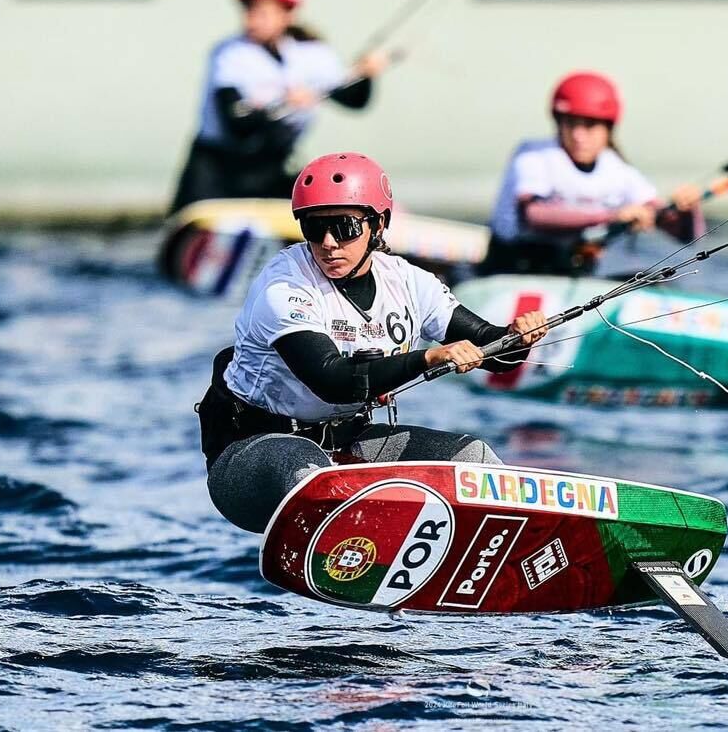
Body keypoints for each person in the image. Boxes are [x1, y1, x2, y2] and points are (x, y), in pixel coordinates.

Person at [197, 152, 549, 533]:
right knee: (314, 477)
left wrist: (517, 338)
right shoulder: (283, 285)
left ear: (378, 224)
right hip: (252, 454)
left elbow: (493, 352)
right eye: (315, 228)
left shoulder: (409, 282)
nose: (329, 243)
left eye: (345, 227)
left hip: (348, 446)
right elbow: (332, 381)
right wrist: (427, 358)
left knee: (473, 459)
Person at [168, 0, 390, 214]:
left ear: (288, 15)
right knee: (189, 225)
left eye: (263, 12)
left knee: (306, 211)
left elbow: (354, 99)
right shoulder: (230, 54)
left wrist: (366, 74)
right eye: (248, 10)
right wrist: (285, 102)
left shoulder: (311, 55)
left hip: (273, 166)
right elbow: (237, 122)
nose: (251, 19)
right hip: (219, 168)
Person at [480, 71, 705, 276]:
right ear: (559, 124)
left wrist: (688, 211)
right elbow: (533, 216)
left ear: (608, 129)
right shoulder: (534, 155)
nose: (578, 135)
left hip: (568, 269)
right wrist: (611, 216)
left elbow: (683, 236)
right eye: (571, 124)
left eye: (589, 125)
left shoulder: (618, 170)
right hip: (510, 266)